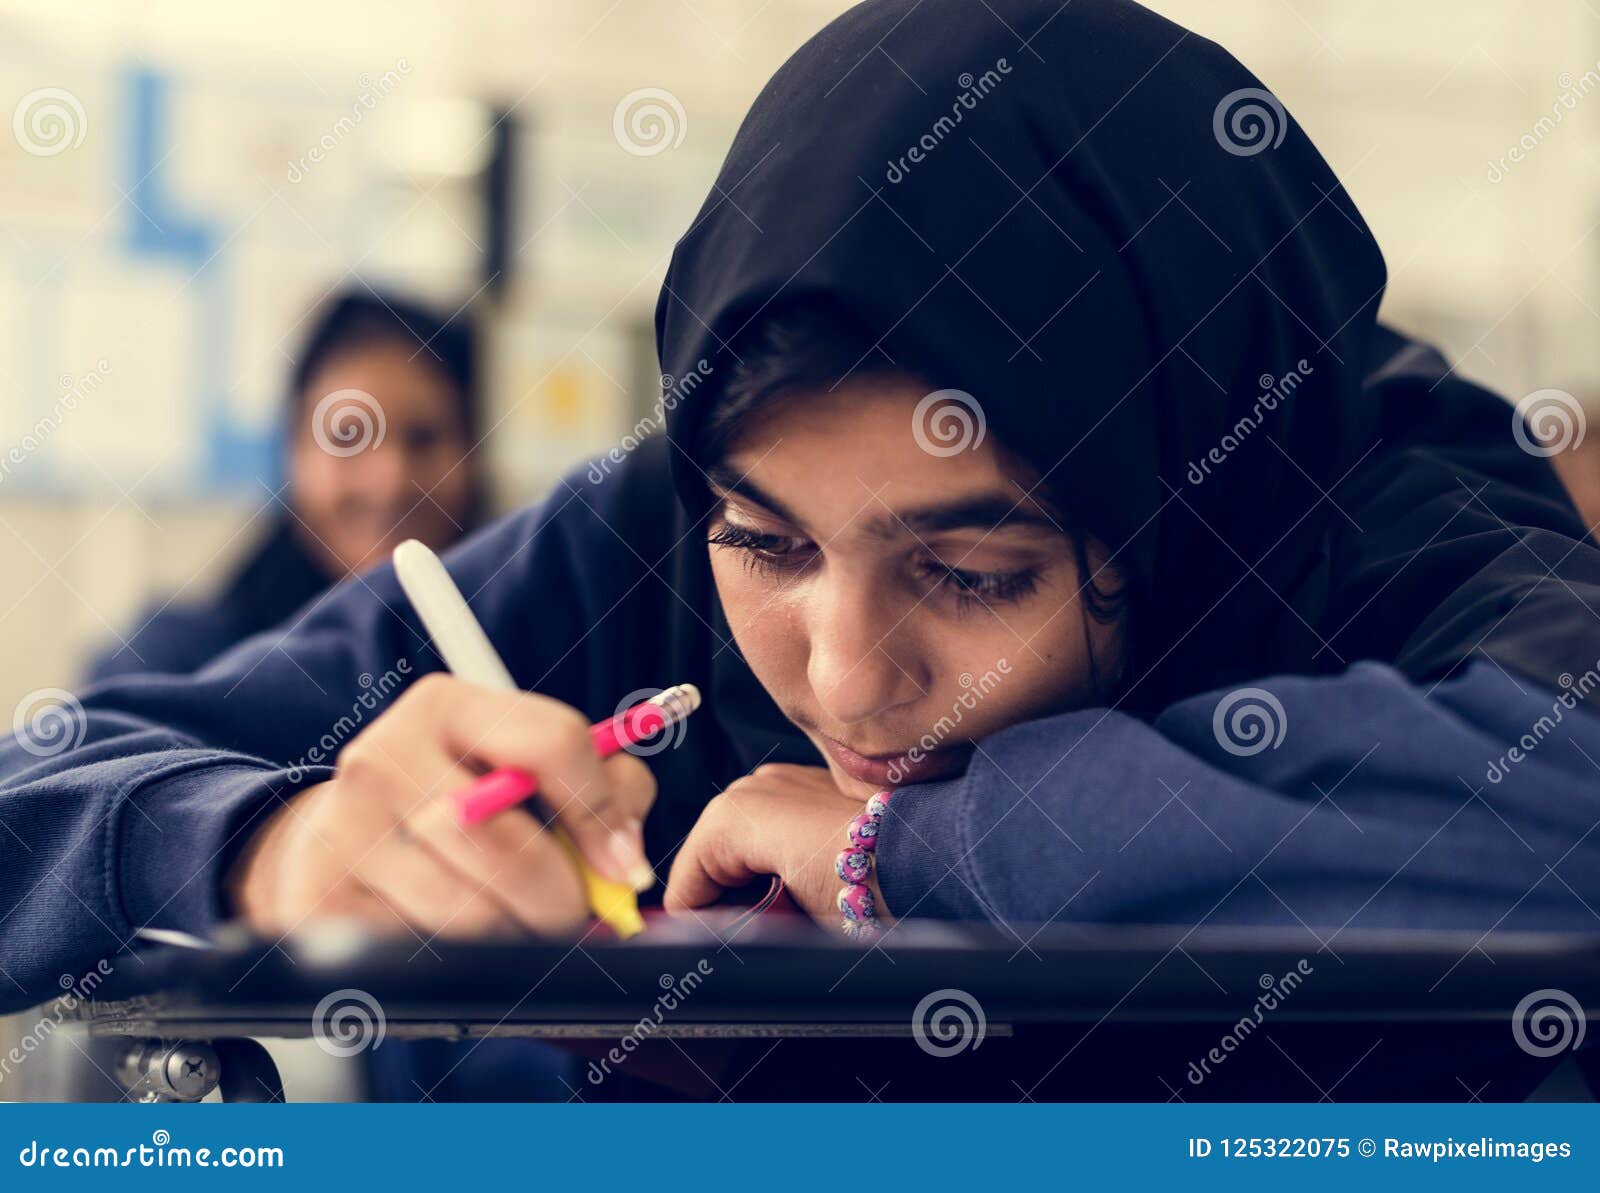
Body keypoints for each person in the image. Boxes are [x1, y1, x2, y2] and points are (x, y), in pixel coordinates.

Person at [4, 0, 1600, 1099]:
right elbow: (39, 791)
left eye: (972, 575)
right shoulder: (658, 517)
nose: (843, 672)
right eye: (767, 550)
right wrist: (274, 843)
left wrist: (894, 858)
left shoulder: (1362, 505)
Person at [90, 289, 486, 681]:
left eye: (424, 438)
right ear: (294, 451)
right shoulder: (173, 662)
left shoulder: (529, 652)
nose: (389, 482)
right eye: (348, 436)